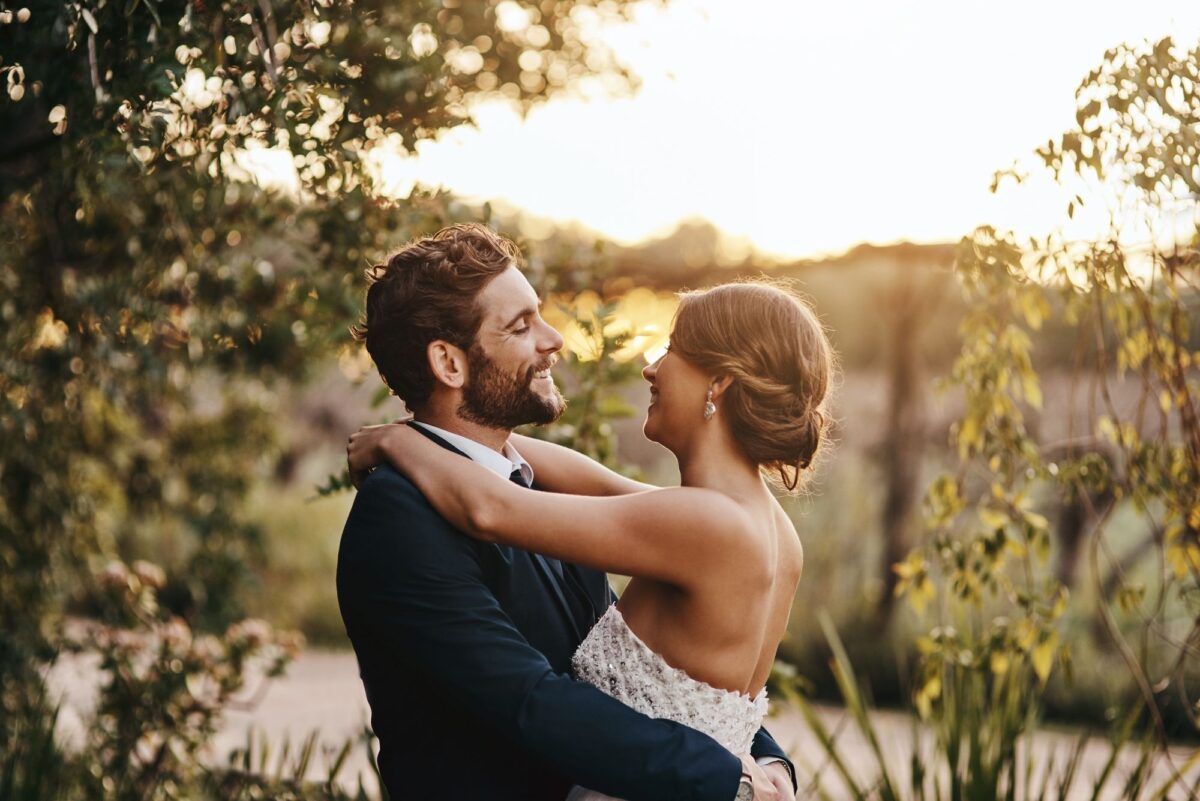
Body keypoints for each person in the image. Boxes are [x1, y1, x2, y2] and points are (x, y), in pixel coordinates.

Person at [336, 223, 800, 801]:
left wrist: (760, 759)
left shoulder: (544, 495)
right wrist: (730, 777)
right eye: (521, 325)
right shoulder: (399, 517)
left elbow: (657, 664)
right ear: (448, 364)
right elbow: (530, 700)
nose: (554, 339)